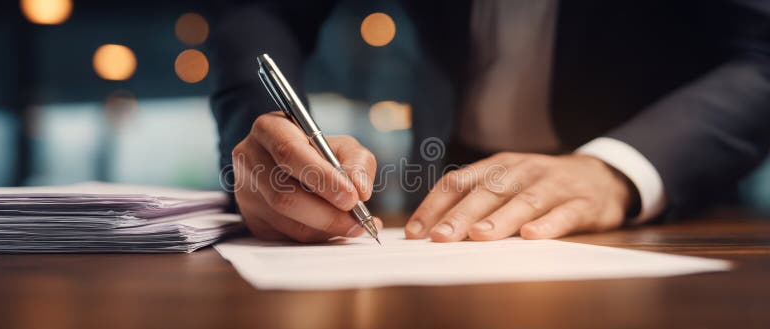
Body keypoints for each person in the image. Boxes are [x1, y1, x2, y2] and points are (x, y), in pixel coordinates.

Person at [210, 0, 770, 243]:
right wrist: (268, 140)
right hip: (452, 191)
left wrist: (614, 170)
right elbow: (262, 11)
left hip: (670, 200)